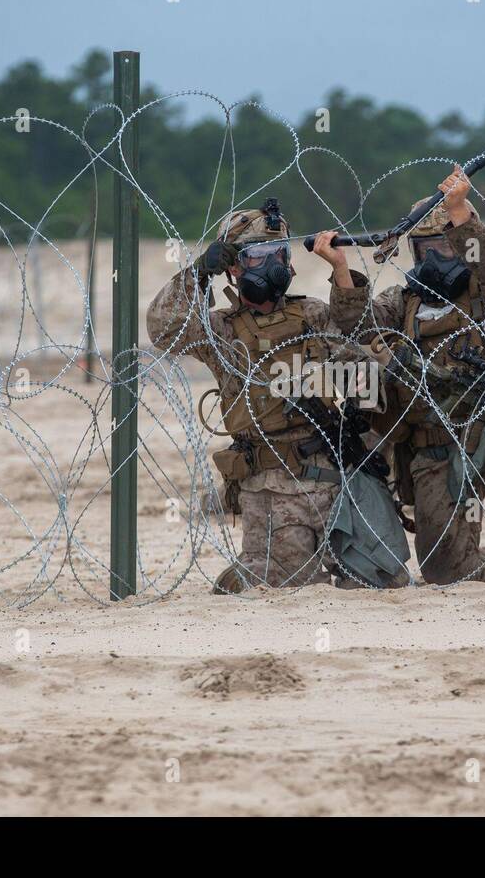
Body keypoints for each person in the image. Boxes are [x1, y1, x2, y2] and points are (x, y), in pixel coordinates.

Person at [316, 166, 485, 586]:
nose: (435, 260)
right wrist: (341, 270)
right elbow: (356, 328)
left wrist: (460, 213)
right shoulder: (404, 303)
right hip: (435, 445)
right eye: (425, 250)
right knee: (444, 571)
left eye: (446, 247)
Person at [146, 198, 360, 592]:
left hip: (333, 476)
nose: (273, 266)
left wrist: (341, 270)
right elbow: (163, 330)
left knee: (376, 578)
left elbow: (361, 339)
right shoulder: (220, 330)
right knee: (288, 585)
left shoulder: (313, 314)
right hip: (270, 486)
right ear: (233, 266)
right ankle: (243, 574)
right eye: (258, 256)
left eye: (278, 254)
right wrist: (197, 274)